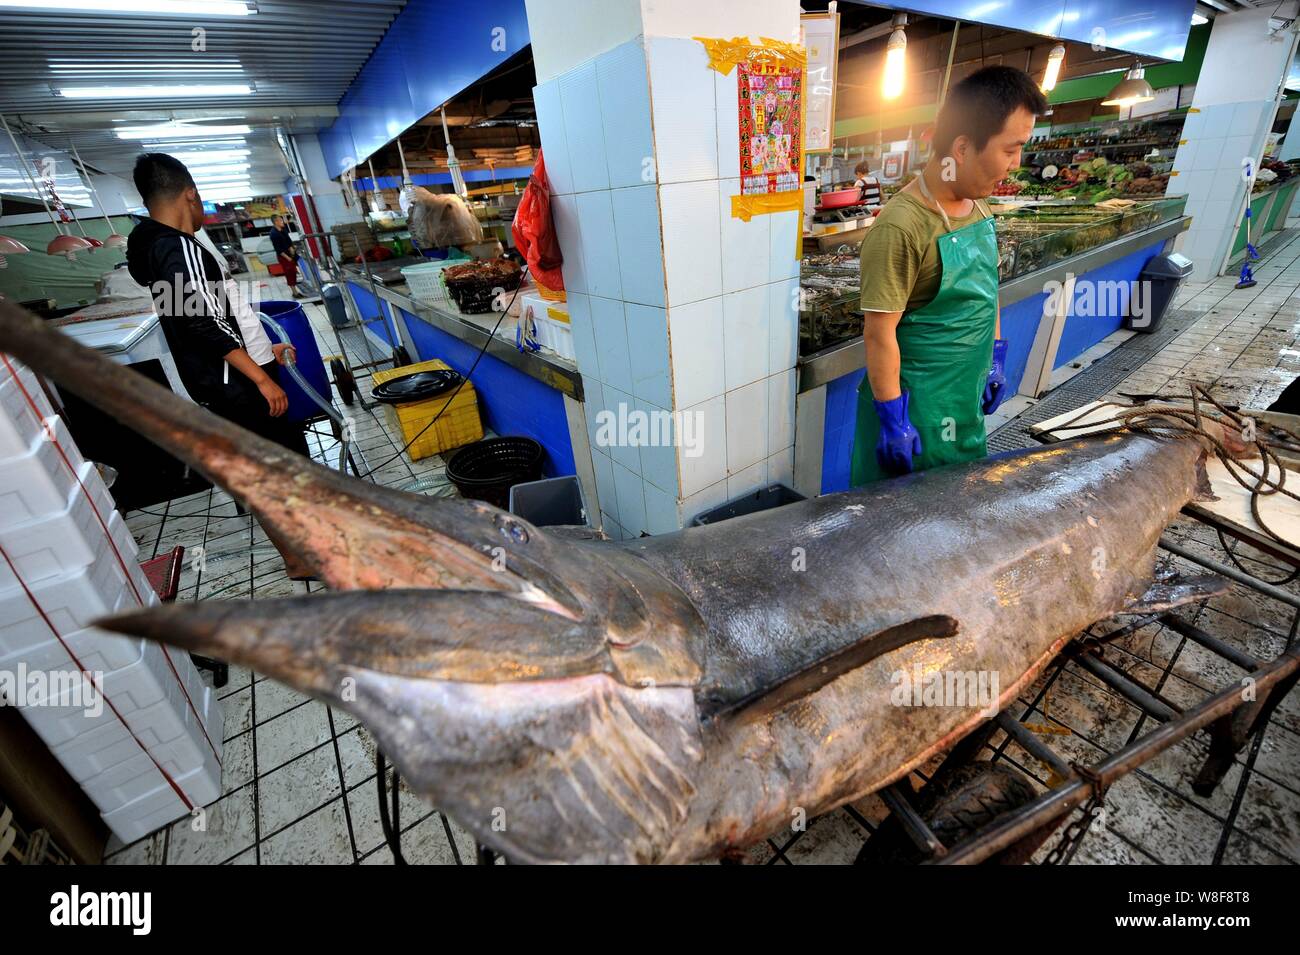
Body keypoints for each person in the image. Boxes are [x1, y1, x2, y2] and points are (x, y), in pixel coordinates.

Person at [851, 66, 1047, 486]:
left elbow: (987, 288)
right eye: (1010, 149)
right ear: (961, 147)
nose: (1016, 164)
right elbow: (879, 334)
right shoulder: (900, 226)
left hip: (964, 403)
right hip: (917, 416)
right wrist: (892, 419)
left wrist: (994, 353)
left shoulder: (979, 208)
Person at [126, 153, 313, 579]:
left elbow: (216, 312)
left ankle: (304, 550)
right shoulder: (174, 246)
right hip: (237, 384)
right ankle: (302, 557)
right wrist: (261, 377)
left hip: (232, 376)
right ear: (189, 193)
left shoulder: (155, 247)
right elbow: (200, 322)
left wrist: (266, 350)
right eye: (199, 198)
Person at [268, 214, 302, 298]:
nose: (283, 222)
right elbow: (278, 249)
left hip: (291, 254)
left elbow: (288, 240)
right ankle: (294, 292)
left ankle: (295, 290)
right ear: (276, 222)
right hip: (284, 257)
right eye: (281, 220)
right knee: (289, 273)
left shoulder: (283, 230)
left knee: (294, 272)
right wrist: (288, 258)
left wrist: (292, 248)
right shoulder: (273, 234)